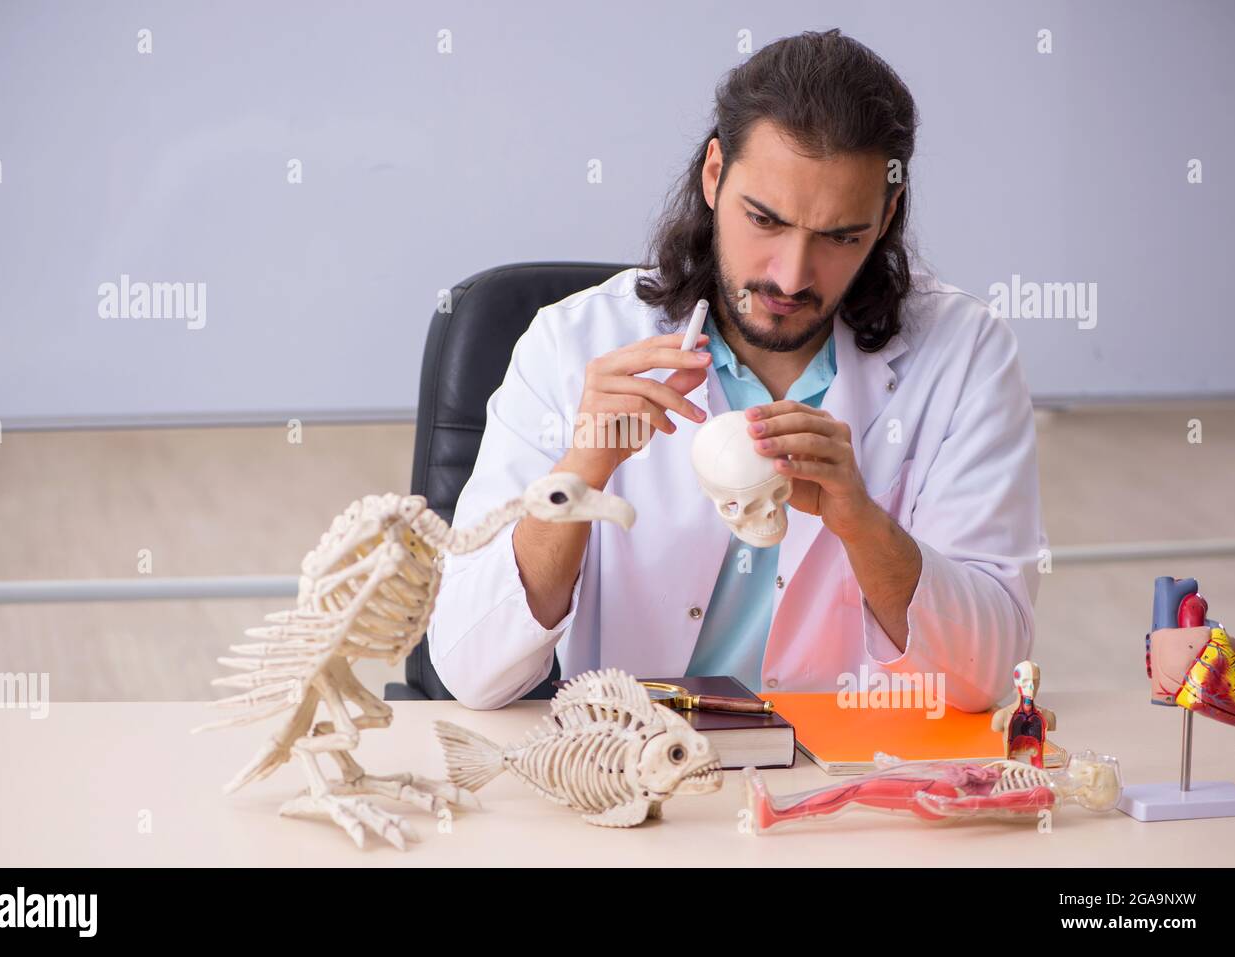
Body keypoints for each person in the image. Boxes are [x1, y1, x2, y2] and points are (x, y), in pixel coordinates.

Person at [427, 29, 1047, 711]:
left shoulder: (966, 355)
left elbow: (989, 676)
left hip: (851, 790)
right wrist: (580, 472)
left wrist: (862, 524)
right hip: (638, 778)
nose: (791, 274)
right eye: (765, 220)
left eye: (841, 237)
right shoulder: (573, 343)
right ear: (715, 174)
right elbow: (470, 668)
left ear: (887, 213)